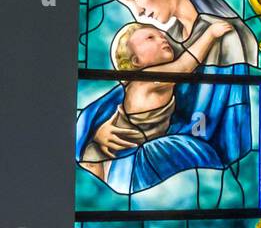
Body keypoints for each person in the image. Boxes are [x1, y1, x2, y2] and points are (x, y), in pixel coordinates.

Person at [75, 0, 255, 194]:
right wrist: (97, 136)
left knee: (151, 156)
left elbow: (234, 136)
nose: (137, 12)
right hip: (153, 161)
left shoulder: (227, 36)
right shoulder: (167, 44)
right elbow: (123, 97)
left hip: (202, 178)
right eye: (127, 3)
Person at [79, 20, 234, 180]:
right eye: (150, 38)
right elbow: (185, 66)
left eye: (162, 35)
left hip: (123, 150)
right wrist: (211, 34)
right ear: (136, 61)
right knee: (94, 190)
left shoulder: (153, 80)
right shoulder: (145, 80)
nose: (162, 38)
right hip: (103, 154)